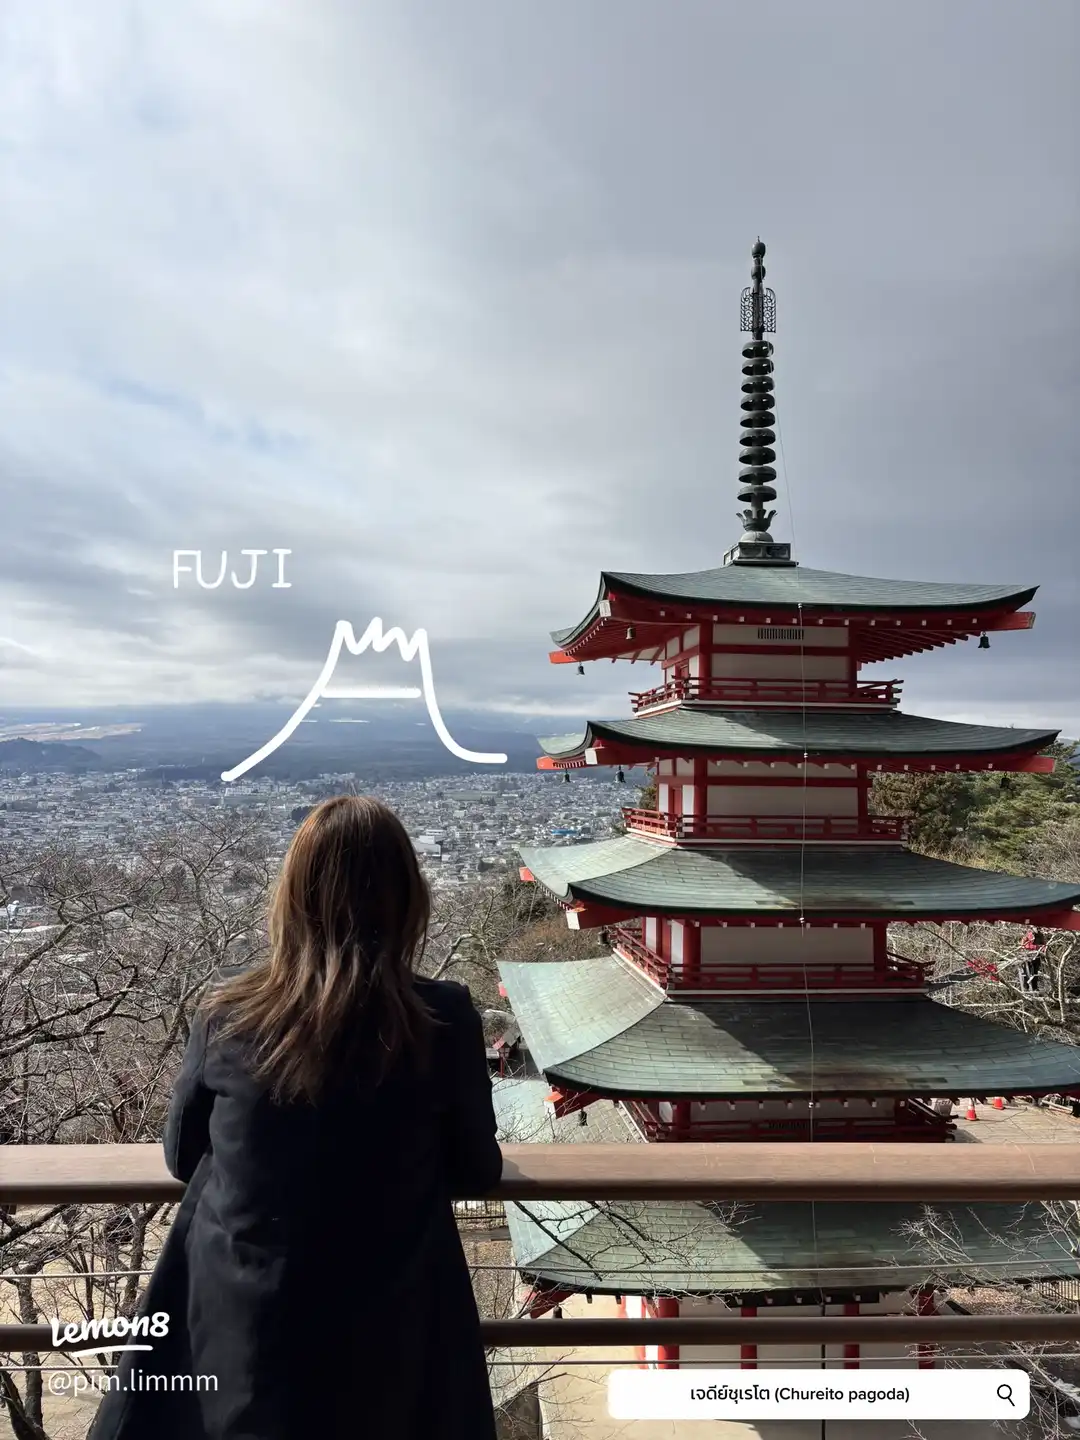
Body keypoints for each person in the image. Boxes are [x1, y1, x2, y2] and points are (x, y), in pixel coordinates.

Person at [89, 795, 503, 1440]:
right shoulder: (442, 1021)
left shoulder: (230, 1013)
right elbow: (478, 1165)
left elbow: (181, 1154)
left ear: (293, 897)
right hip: (386, 1322)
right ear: (406, 898)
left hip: (244, 1320)